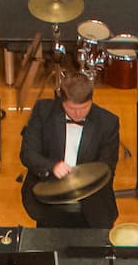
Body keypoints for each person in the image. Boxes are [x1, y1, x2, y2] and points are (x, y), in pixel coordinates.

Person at [19, 72, 121, 229]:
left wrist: (80, 181)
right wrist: (51, 166)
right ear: (62, 101)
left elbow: (107, 168)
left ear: (91, 100)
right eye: (72, 109)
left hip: (91, 204)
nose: (78, 114)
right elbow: (28, 153)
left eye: (84, 108)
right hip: (50, 200)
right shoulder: (43, 111)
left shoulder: (108, 122)